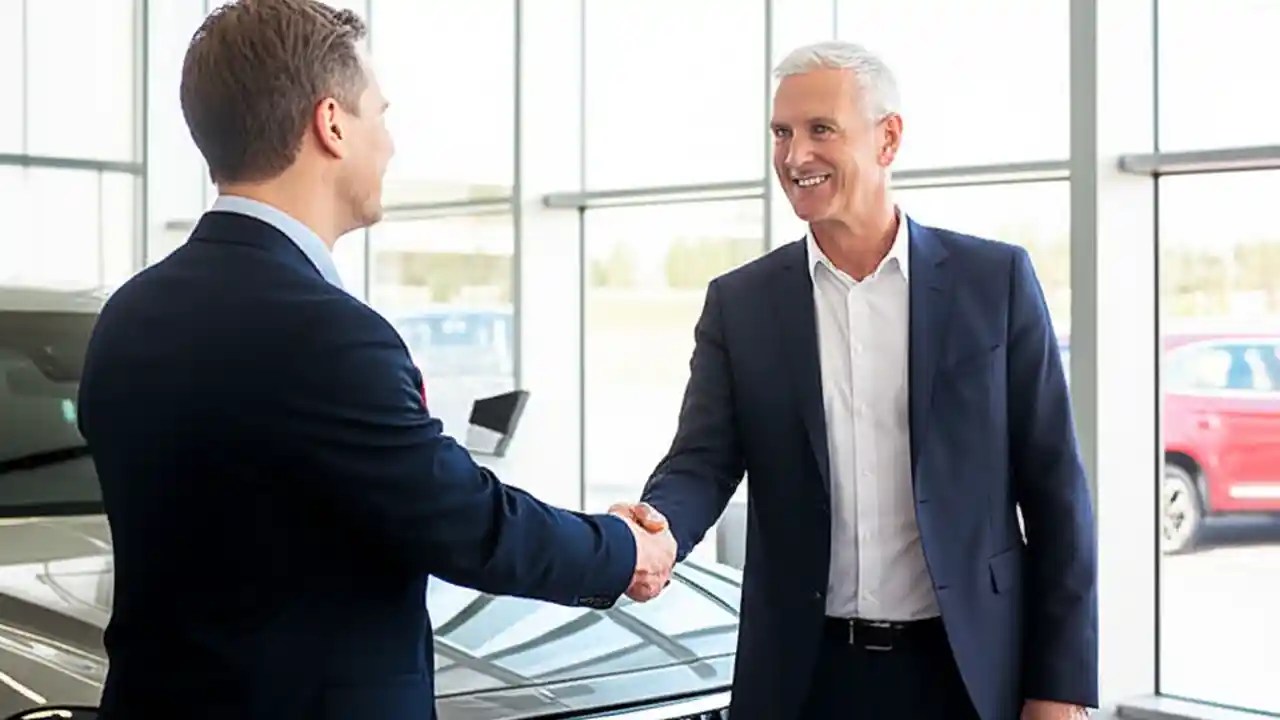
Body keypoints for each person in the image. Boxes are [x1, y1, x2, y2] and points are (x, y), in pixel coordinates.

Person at [76, 2, 674, 719]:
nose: (388, 144)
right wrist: (619, 550)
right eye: (378, 115)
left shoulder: (128, 316)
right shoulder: (325, 334)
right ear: (331, 124)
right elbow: (463, 522)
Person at [613, 41, 1097, 720]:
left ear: (887, 138)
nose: (794, 156)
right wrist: (652, 531)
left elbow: (1057, 494)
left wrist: (1060, 688)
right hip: (804, 678)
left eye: (820, 130)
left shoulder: (995, 284)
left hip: (967, 673)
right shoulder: (742, 303)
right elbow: (701, 461)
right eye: (781, 133)